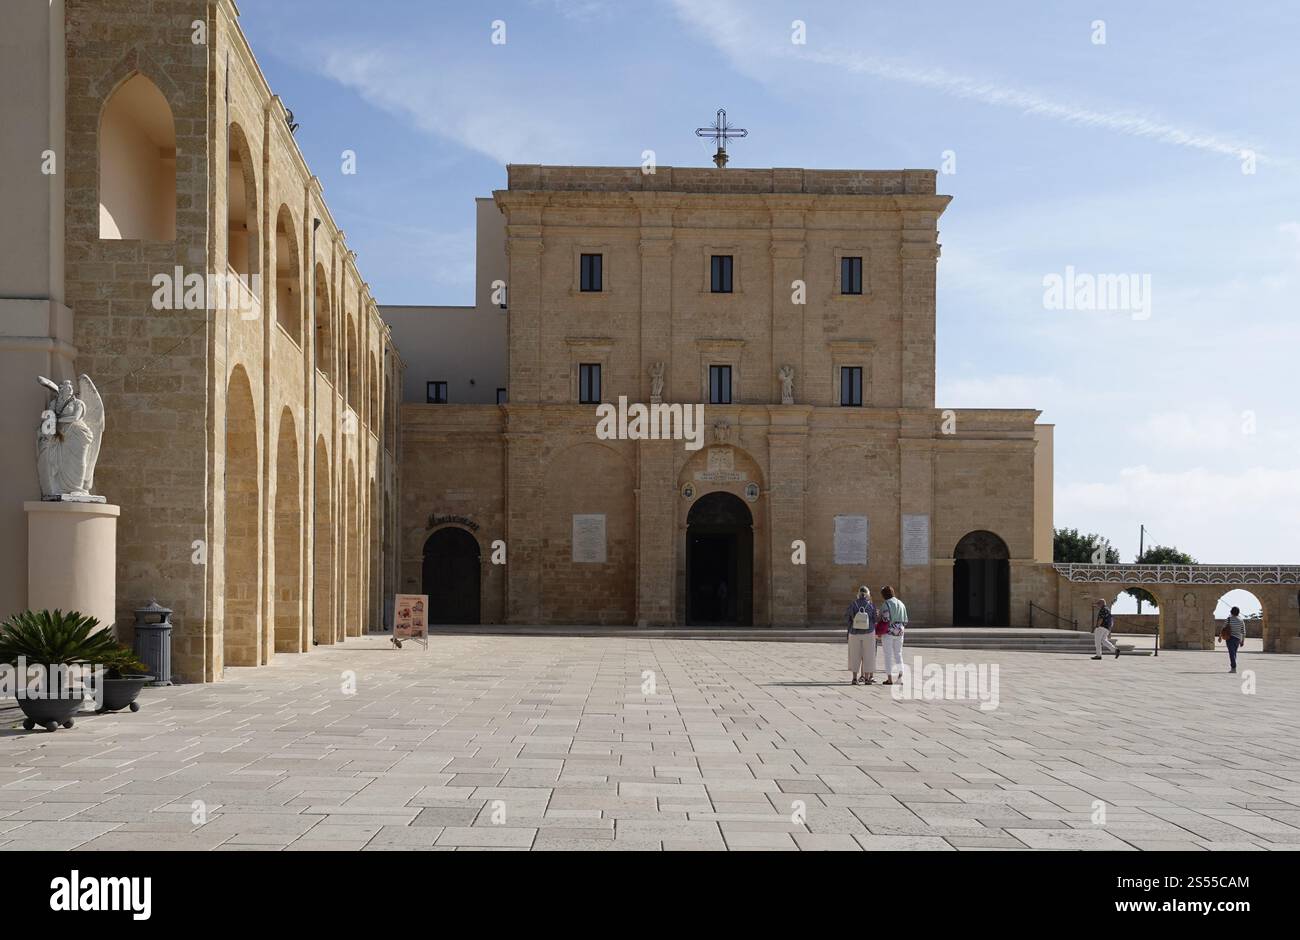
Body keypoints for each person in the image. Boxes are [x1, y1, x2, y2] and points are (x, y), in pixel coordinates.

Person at [844, 586, 878, 685]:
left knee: (854, 655)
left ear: (858, 594)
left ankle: (854, 678)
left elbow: (847, 617)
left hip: (854, 633)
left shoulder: (853, 604)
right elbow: (875, 619)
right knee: (868, 654)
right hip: (869, 632)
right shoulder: (871, 605)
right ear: (868, 594)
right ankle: (867, 678)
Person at [878, 586, 908, 685]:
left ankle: (889, 678)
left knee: (888, 655)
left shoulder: (886, 604)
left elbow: (885, 619)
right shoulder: (901, 603)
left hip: (888, 632)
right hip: (900, 631)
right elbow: (906, 620)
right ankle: (900, 678)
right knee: (898, 654)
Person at [1221, 605, 1245, 673]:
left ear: (1231, 612)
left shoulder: (1229, 619)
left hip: (1230, 638)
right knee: (1234, 653)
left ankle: (1233, 667)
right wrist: (1242, 640)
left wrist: (1220, 637)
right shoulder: (1241, 620)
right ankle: (1233, 667)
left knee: (1231, 653)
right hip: (1237, 639)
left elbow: (1223, 628)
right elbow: (1243, 631)